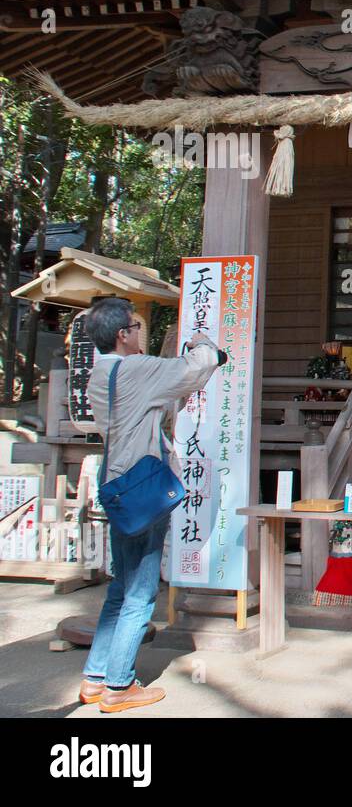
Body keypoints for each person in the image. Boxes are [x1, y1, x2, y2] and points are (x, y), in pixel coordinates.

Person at [80, 297, 224, 714]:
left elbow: (155, 404)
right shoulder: (135, 369)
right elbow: (196, 368)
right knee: (142, 594)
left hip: (116, 484)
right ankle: (120, 686)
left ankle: (95, 677)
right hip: (142, 486)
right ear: (123, 335)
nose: (141, 333)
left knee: (120, 587)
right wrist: (202, 342)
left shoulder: (100, 373)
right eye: (137, 327)